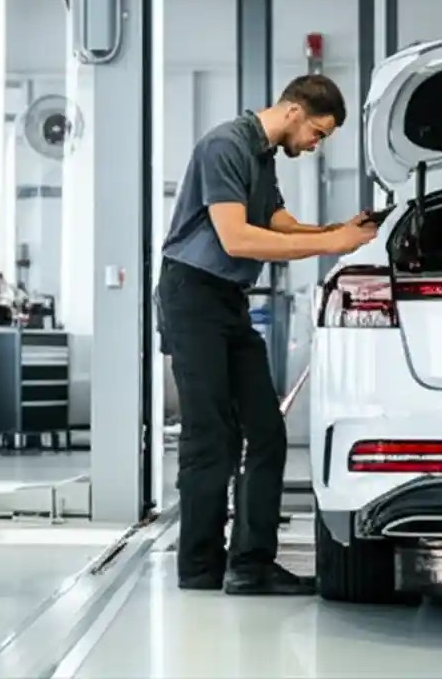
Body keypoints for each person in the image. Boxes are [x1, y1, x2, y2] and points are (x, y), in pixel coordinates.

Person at [157, 75, 378, 595]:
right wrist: (333, 246)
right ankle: (200, 567)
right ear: (294, 110)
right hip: (192, 295)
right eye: (317, 134)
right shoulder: (224, 145)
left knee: (266, 429)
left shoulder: (262, 156)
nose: (316, 145)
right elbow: (236, 239)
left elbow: (278, 221)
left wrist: (335, 231)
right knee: (212, 435)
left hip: (228, 302)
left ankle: (250, 565)